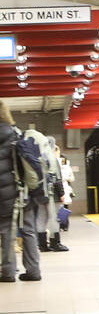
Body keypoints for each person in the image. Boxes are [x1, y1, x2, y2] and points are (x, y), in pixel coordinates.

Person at [0, 102, 40, 282]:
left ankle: (8, 272)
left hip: (3, 196)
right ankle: (33, 271)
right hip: (22, 191)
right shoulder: (15, 134)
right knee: (28, 230)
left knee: (7, 232)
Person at [24, 128, 66, 253]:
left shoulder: (36, 158)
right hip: (53, 193)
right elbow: (57, 177)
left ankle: (42, 245)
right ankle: (55, 243)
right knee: (54, 218)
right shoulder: (51, 159)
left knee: (41, 218)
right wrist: (62, 193)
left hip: (39, 193)